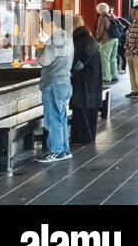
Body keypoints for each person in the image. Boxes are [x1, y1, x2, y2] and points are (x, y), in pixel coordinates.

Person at [34, 19, 74, 163]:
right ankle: (64, 149)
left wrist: (38, 48)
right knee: (61, 117)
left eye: (43, 24)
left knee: (53, 119)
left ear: (52, 23)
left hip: (53, 83)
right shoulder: (68, 38)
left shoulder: (55, 39)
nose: (43, 28)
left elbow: (45, 61)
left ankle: (56, 151)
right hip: (64, 82)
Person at [69, 17, 103, 145]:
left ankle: (82, 137)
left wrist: (69, 72)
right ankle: (89, 136)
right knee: (90, 111)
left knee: (81, 110)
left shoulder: (79, 41)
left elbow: (77, 63)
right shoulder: (89, 38)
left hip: (83, 81)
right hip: (93, 80)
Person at [94, 2, 119, 85]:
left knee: (105, 59)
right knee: (113, 58)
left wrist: (97, 39)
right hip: (115, 39)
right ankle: (114, 75)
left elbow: (100, 30)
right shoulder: (112, 16)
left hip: (106, 40)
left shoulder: (102, 18)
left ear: (100, 9)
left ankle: (106, 77)